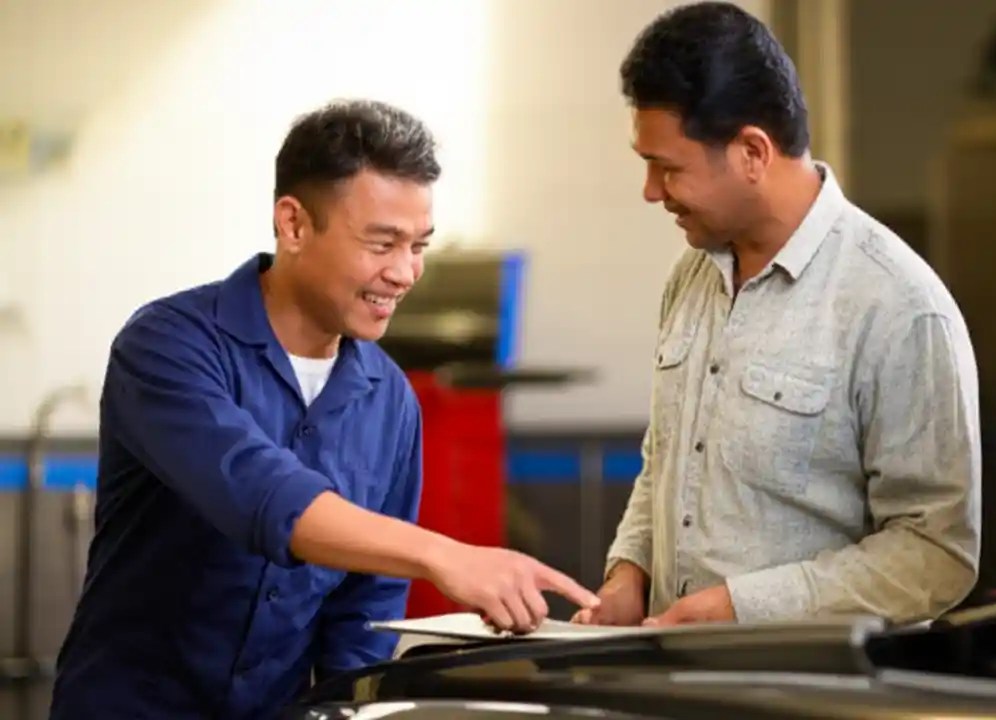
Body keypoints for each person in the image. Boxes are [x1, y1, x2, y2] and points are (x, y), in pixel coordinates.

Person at [50, 99, 598, 720]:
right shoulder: (169, 344)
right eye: (381, 243)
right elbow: (261, 494)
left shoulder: (390, 401)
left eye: (418, 245)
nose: (405, 272)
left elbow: (363, 619)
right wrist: (445, 554)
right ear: (293, 225)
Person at [573, 2, 981, 629]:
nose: (652, 191)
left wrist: (743, 609)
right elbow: (666, 463)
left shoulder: (900, 308)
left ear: (753, 152)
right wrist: (630, 573)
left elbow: (936, 553)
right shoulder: (692, 277)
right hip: (668, 687)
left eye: (668, 167)